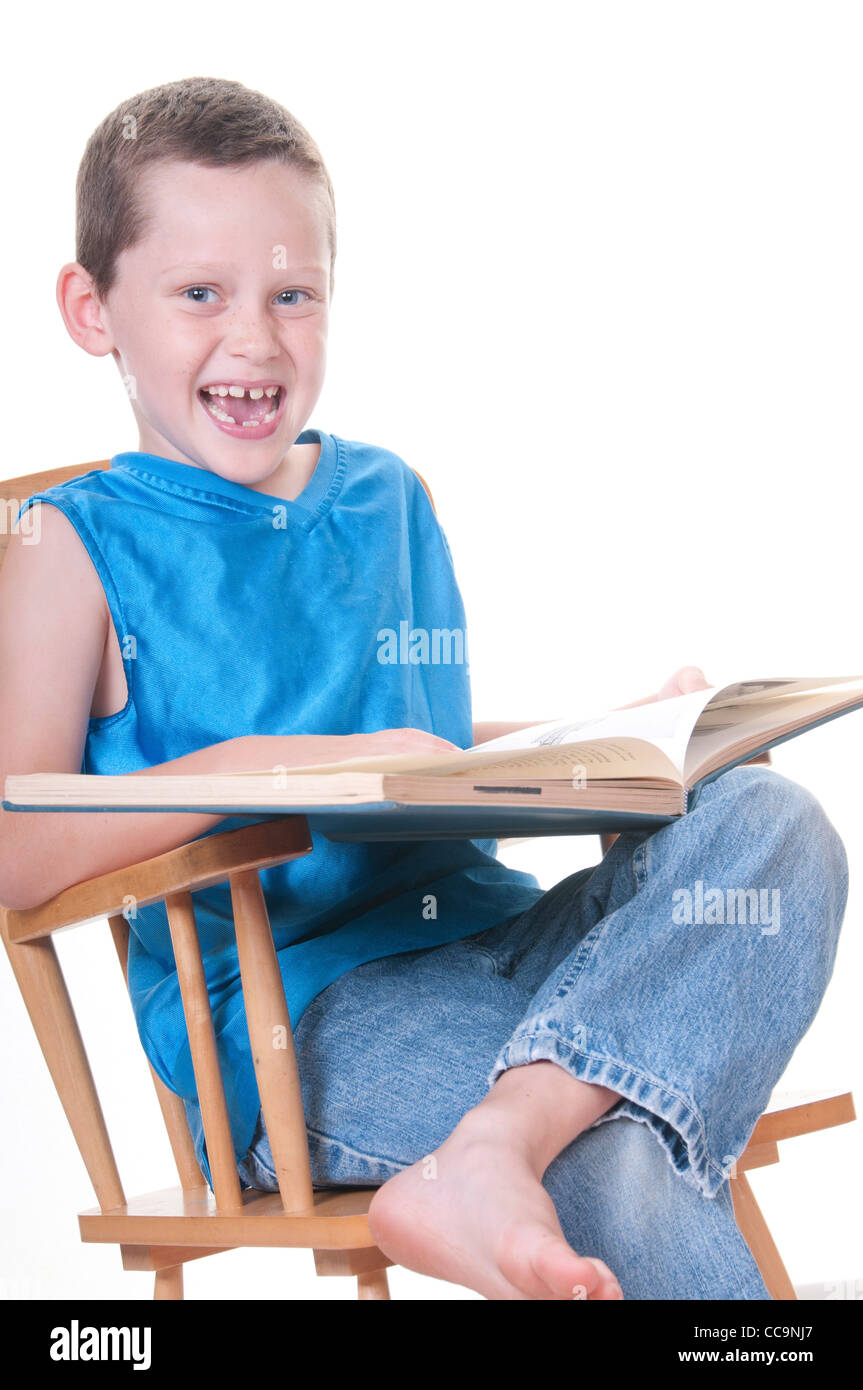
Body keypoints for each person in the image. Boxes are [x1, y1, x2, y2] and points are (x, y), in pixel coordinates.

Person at [0, 77, 848, 1302]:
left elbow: (427, 761)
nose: (255, 339)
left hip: (509, 944)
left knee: (775, 827)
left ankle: (493, 1144)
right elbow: (19, 846)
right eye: (200, 294)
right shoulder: (65, 548)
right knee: (613, 1163)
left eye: (294, 295)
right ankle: (527, 1143)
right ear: (92, 309)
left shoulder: (387, 497)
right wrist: (258, 769)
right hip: (311, 1020)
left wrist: (623, 737)